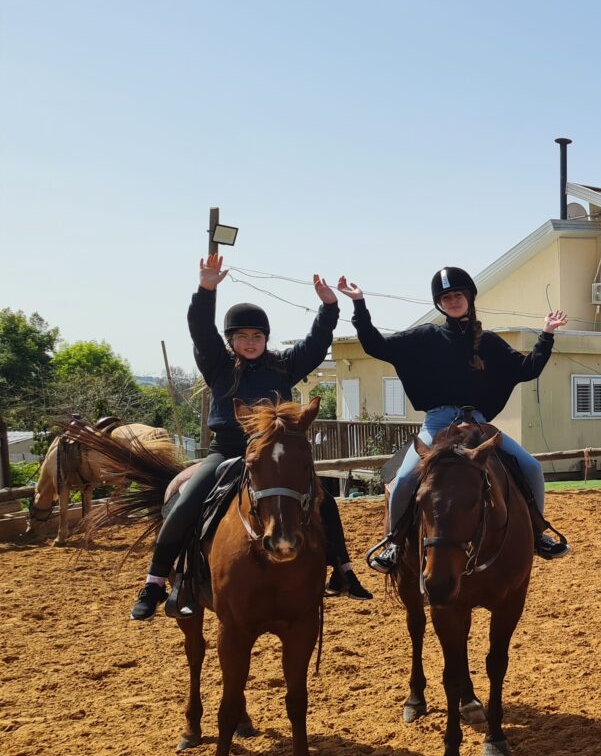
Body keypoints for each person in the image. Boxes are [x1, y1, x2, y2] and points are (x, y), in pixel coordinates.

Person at [130, 256, 371, 620]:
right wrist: (206, 289)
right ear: (230, 341)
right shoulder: (218, 365)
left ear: (266, 338)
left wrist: (329, 307)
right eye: (242, 337)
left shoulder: (283, 365)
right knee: (186, 502)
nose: (250, 342)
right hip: (226, 451)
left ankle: (343, 570)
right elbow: (200, 329)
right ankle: (156, 580)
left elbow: (317, 342)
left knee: (324, 501)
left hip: (274, 452)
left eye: (257, 336)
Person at [340, 266, 569, 571]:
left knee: (531, 466)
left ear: (470, 297)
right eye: (445, 297)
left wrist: (547, 334)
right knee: (405, 478)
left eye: (457, 294)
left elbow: (528, 368)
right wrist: (359, 304)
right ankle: (394, 543)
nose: (452, 301)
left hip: (479, 425)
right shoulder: (424, 337)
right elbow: (376, 346)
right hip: (436, 424)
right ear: (439, 304)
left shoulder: (488, 342)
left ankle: (538, 532)